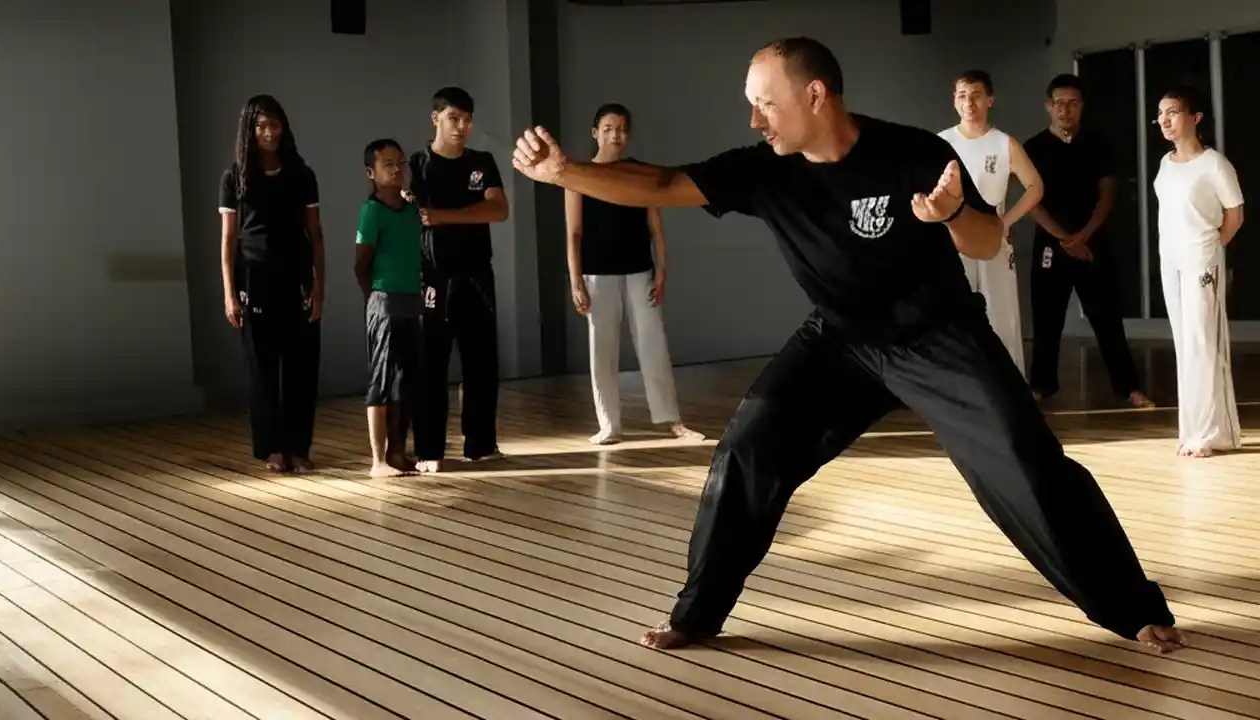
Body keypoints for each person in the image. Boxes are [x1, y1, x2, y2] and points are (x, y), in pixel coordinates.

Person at [512, 37, 1185, 655]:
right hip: (840, 339)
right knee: (749, 448)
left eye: (765, 105)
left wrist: (952, 213)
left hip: (940, 336)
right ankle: (698, 614)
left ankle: (1131, 609)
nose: (755, 121)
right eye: (751, 107)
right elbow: (660, 184)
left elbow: (987, 242)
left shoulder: (913, 152)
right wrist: (566, 172)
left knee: (1027, 464)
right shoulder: (765, 170)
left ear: (815, 97)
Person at [566, 103, 705, 445]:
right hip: (597, 275)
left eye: (623, 128)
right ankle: (609, 424)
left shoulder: (639, 172)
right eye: (609, 127)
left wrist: (661, 270)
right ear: (595, 132)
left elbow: (656, 226)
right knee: (602, 349)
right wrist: (575, 281)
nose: (617, 134)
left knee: (654, 344)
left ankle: (673, 420)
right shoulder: (579, 175)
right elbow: (574, 233)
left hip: (639, 270)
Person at [1024, 75, 1155, 408]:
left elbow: (1107, 196)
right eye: (1058, 103)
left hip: (1093, 241)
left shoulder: (1098, 143)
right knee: (1046, 319)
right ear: (1048, 106)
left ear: (1082, 106)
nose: (1064, 109)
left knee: (1107, 317)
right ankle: (1041, 386)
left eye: (1072, 103)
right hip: (1051, 244)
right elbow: (1031, 203)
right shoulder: (1033, 148)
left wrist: (1082, 236)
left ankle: (1129, 387)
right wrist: (1064, 238)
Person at [218, 94, 326, 473]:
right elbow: (228, 239)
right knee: (262, 371)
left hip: (295, 280)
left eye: (275, 124)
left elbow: (315, 234)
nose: (269, 132)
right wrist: (230, 293)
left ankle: (298, 447)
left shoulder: (301, 175)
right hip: (254, 282)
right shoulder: (235, 178)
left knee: (300, 369)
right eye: (262, 125)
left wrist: (319, 286)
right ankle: (272, 450)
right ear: (250, 130)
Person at [408, 87, 510, 473]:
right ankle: (429, 450)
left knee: (481, 363)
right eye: (454, 118)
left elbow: (498, 209)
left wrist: (444, 215)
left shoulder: (481, 161)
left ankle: (481, 444)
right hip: (432, 276)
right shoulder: (417, 164)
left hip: (476, 276)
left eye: (467, 120)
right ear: (436, 118)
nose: (462, 126)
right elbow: (407, 210)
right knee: (431, 366)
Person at [1152, 86, 1245, 457]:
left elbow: (1235, 215)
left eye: (1172, 112)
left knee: (1203, 341)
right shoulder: (1164, 163)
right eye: (1160, 114)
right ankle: (1196, 428)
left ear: (1195, 118)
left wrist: (1210, 248)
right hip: (1170, 258)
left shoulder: (1215, 164)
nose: (1164, 120)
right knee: (1184, 342)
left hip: (1202, 257)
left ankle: (1209, 433)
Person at [937, 70, 1043, 375]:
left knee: (1001, 318)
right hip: (954, 241)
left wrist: (1006, 222)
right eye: (962, 96)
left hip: (992, 239)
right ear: (954, 102)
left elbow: (1035, 186)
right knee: (954, 317)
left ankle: (1011, 390)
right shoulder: (942, 143)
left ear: (989, 100)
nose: (969, 102)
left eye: (976, 95)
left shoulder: (1003, 143)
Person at [355, 138, 424, 477]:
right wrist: (375, 299)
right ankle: (377, 460)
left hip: (413, 302)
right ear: (371, 172)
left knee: (407, 382)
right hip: (384, 303)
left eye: (401, 162)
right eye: (388, 164)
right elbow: (361, 264)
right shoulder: (371, 211)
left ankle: (399, 452)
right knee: (382, 380)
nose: (397, 169)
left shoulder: (413, 210)